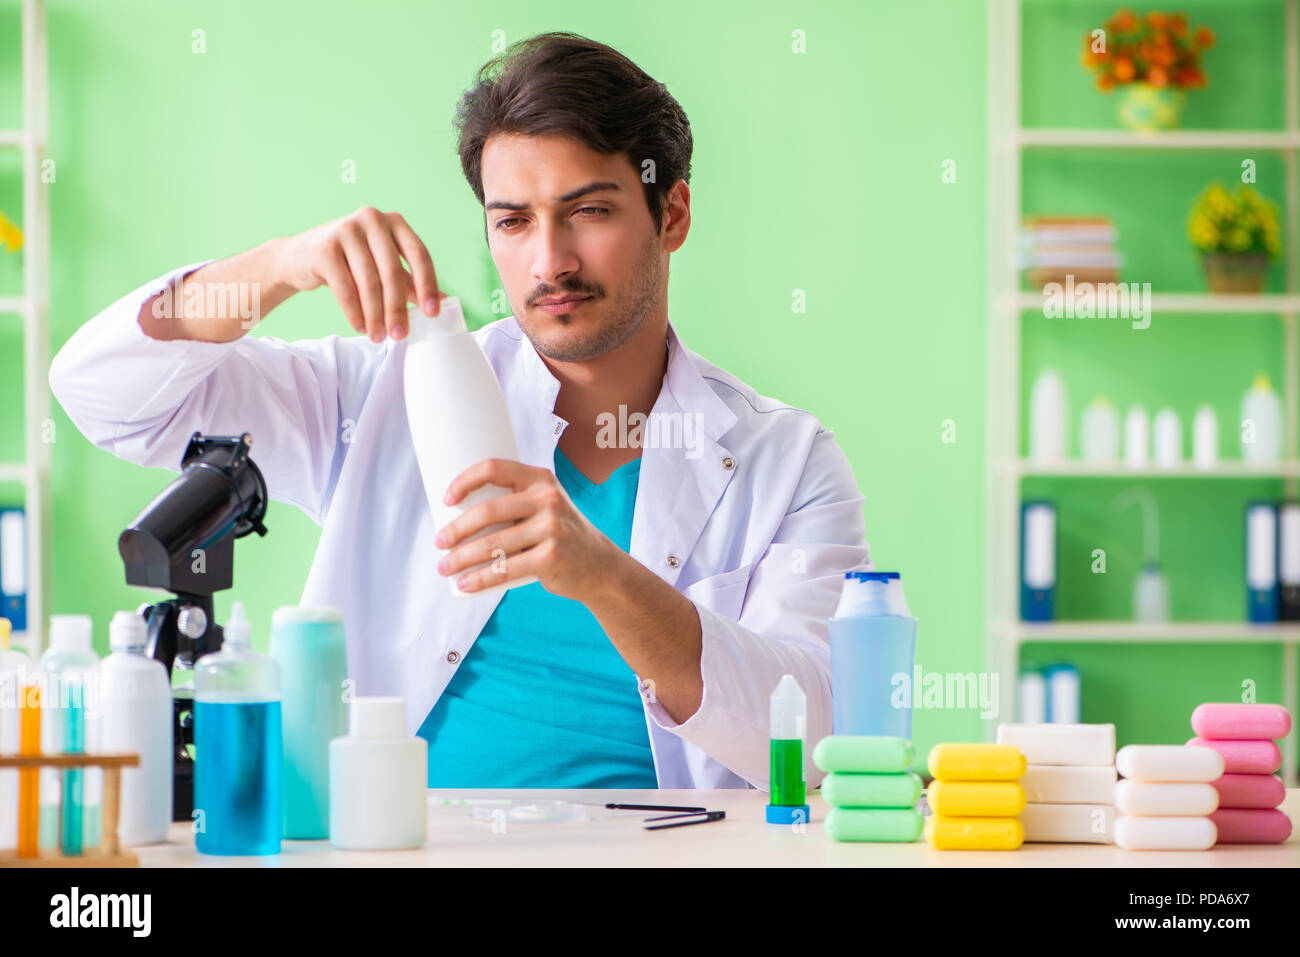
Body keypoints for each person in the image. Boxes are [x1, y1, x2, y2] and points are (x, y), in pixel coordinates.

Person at [49, 31, 870, 790]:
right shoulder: (386, 394)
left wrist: (605, 577)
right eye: (512, 221)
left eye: (588, 211)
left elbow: (813, 733)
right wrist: (279, 265)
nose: (549, 260)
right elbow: (104, 394)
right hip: (406, 839)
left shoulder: (785, 459)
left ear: (673, 214)